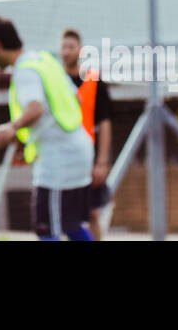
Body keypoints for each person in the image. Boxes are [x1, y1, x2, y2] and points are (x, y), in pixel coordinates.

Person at [0, 16, 94, 240]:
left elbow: (35, 108)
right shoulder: (44, 60)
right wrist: (31, 137)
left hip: (59, 162)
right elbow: (74, 100)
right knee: (71, 225)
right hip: (77, 150)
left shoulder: (25, 71)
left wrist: (12, 128)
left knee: (45, 228)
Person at [61, 28, 113, 240]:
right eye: (63, 47)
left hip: (88, 158)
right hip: (62, 158)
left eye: (71, 47)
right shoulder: (56, 81)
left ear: (80, 50)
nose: (66, 51)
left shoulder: (93, 80)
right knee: (65, 213)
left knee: (92, 212)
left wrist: (101, 161)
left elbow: (105, 123)